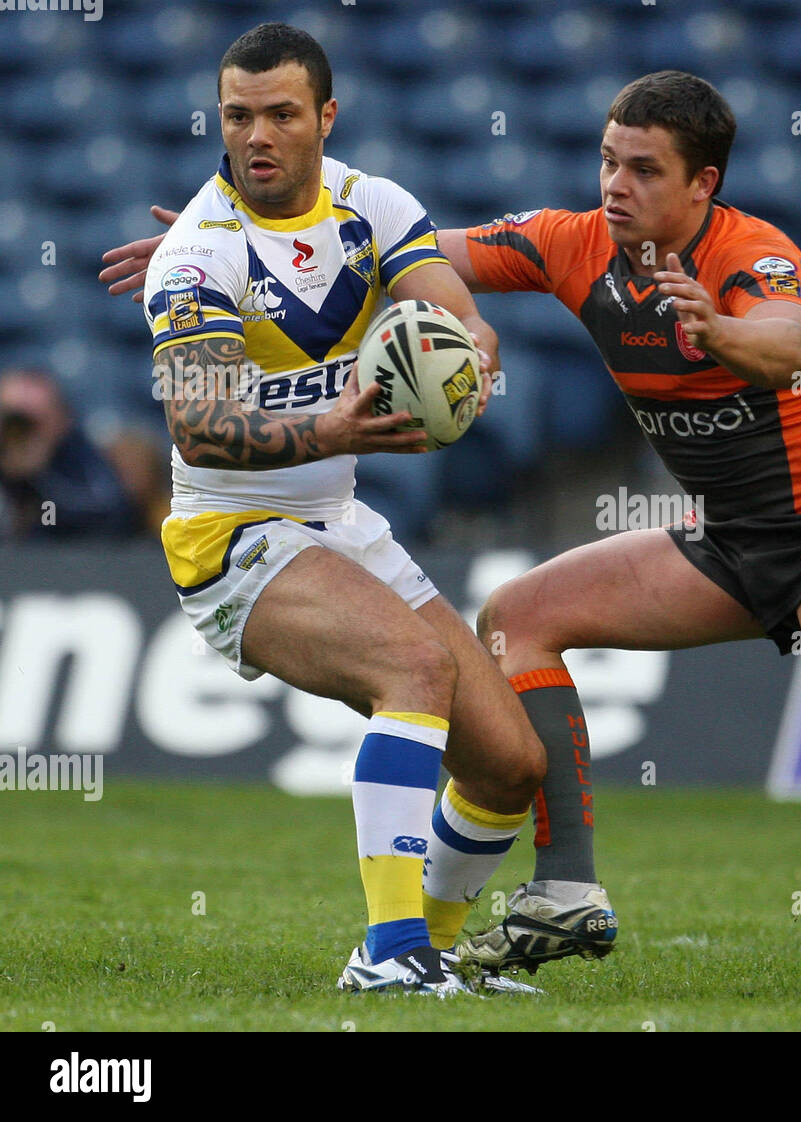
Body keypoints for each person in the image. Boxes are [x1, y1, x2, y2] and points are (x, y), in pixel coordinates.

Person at [102, 70, 801, 1004]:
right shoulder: (574, 243)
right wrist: (225, 251)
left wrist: (718, 332)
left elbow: (793, 342)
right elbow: (400, 254)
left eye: (643, 170)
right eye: (606, 161)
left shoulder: (752, 256)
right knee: (520, 616)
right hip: (728, 539)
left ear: (703, 183)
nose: (615, 186)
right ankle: (565, 889)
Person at [127, 22, 546, 997]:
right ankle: (387, 951)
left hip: (342, 527)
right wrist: (336, 426)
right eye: (238, 116)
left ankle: (432, 953)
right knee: (413, 667)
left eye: (280, 113)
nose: (257, 135)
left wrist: (470, 352)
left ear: (326, 116)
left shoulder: (374, 205)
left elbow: (453, 310)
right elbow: (198, 427)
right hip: (231, 537)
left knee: (506, 764)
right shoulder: (195, 256)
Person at [0, 367, 135, 540]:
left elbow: (111, 513)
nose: (20, 434)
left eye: (31, 424)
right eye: (13, 424)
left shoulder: (81, 459)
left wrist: (39, 478)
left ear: (62, 420)